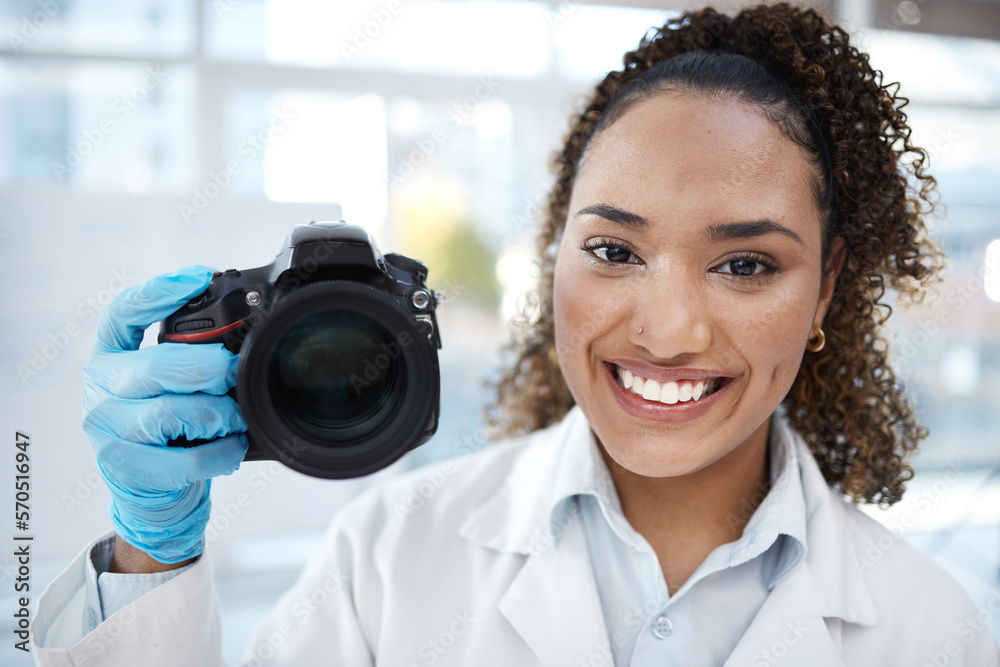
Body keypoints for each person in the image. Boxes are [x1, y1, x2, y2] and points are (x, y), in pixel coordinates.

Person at [29, 3, 1000, 666]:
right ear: (553, 256)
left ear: (826, 290)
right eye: (615, 250)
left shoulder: (931, 628)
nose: (665, 329)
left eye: (745, 263)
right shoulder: (387, 558)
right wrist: (148, 556)